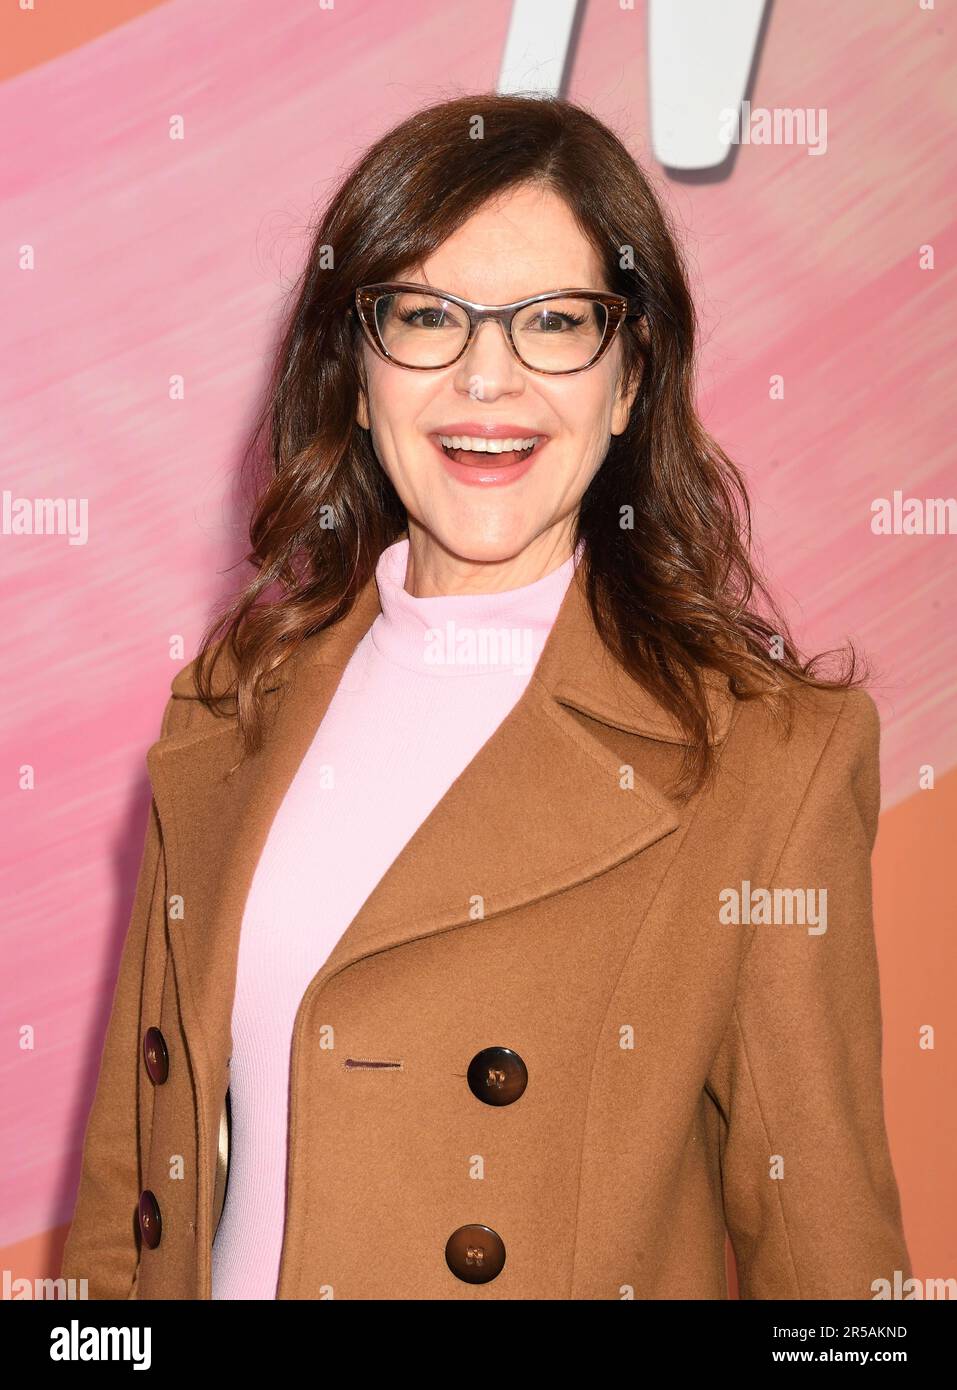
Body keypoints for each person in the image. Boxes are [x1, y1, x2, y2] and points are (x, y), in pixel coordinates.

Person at [61, 93, 911, 1300]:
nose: (485, 376)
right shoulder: (229, 707)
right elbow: (125, 1221)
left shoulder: (767, 760)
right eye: (425, 317)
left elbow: (832, 1271)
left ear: (629, 380)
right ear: (356, 377)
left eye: (556, 322)